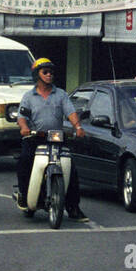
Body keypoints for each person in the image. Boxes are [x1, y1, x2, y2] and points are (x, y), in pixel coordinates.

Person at [16, 58, 87, 220]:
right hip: (34, 138)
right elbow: (21, 116)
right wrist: (24, 128)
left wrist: (78, 127)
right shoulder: (29, 96)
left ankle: (73, 208)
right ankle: (24, 195)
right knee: (24, 161)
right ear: (37, 75)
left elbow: (71, 113)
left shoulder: (60, 94)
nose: (49, 75)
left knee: (72, 170)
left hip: (56, 138)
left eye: (51, 72)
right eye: (45, 72)